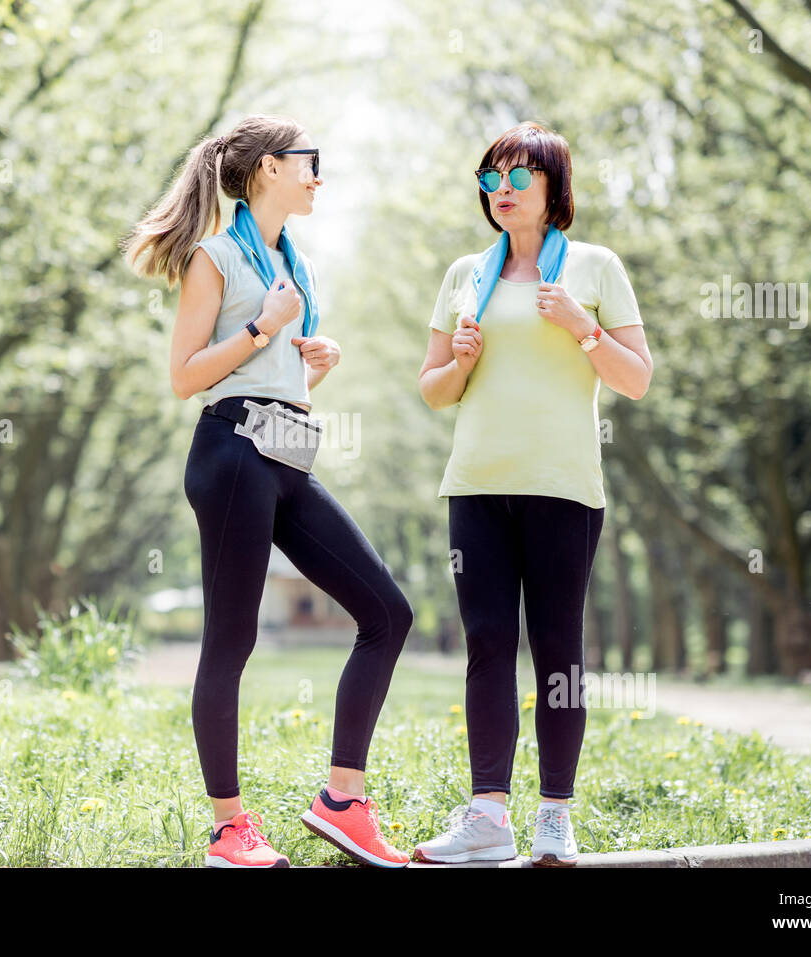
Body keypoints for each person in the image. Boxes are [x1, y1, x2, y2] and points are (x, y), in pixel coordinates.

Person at [123, 114, 413, 868]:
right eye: (308, 160)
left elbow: (276, 378)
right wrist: (262, 327)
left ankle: (342, 802)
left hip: (286, 455)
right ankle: (229, 832)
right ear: (266, 171)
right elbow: (187, 375)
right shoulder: (214, 257)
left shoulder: (296, 263)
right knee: (233, 637)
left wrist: (316, 361)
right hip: (230, 455)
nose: (319, 173)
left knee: (388, 611)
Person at [414, 121, 654, 866]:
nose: (504, 190)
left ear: (555, 187)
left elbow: (637, 378)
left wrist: (584, 327)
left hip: (563, 489)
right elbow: (433, 392)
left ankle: (556, 815)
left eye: (519, 175)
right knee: (487, 644)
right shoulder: (464, 275)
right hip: (477, 486)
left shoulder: (594, 266)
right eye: (492, 177)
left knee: (558, 651)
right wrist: (458, 359)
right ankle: (488, 817)